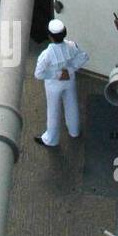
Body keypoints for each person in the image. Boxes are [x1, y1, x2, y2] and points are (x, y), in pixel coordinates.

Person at [34, 19, 89, 147]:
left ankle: (51, 139)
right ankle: (74, 131)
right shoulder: (71, 45)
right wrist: (69, 70)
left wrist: (57, 74)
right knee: (72, 105)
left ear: (50, 36)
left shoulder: (46, 54)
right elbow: (84, 57)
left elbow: (38, 74)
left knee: (53, 111)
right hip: (69, 80)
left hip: (53, 85)